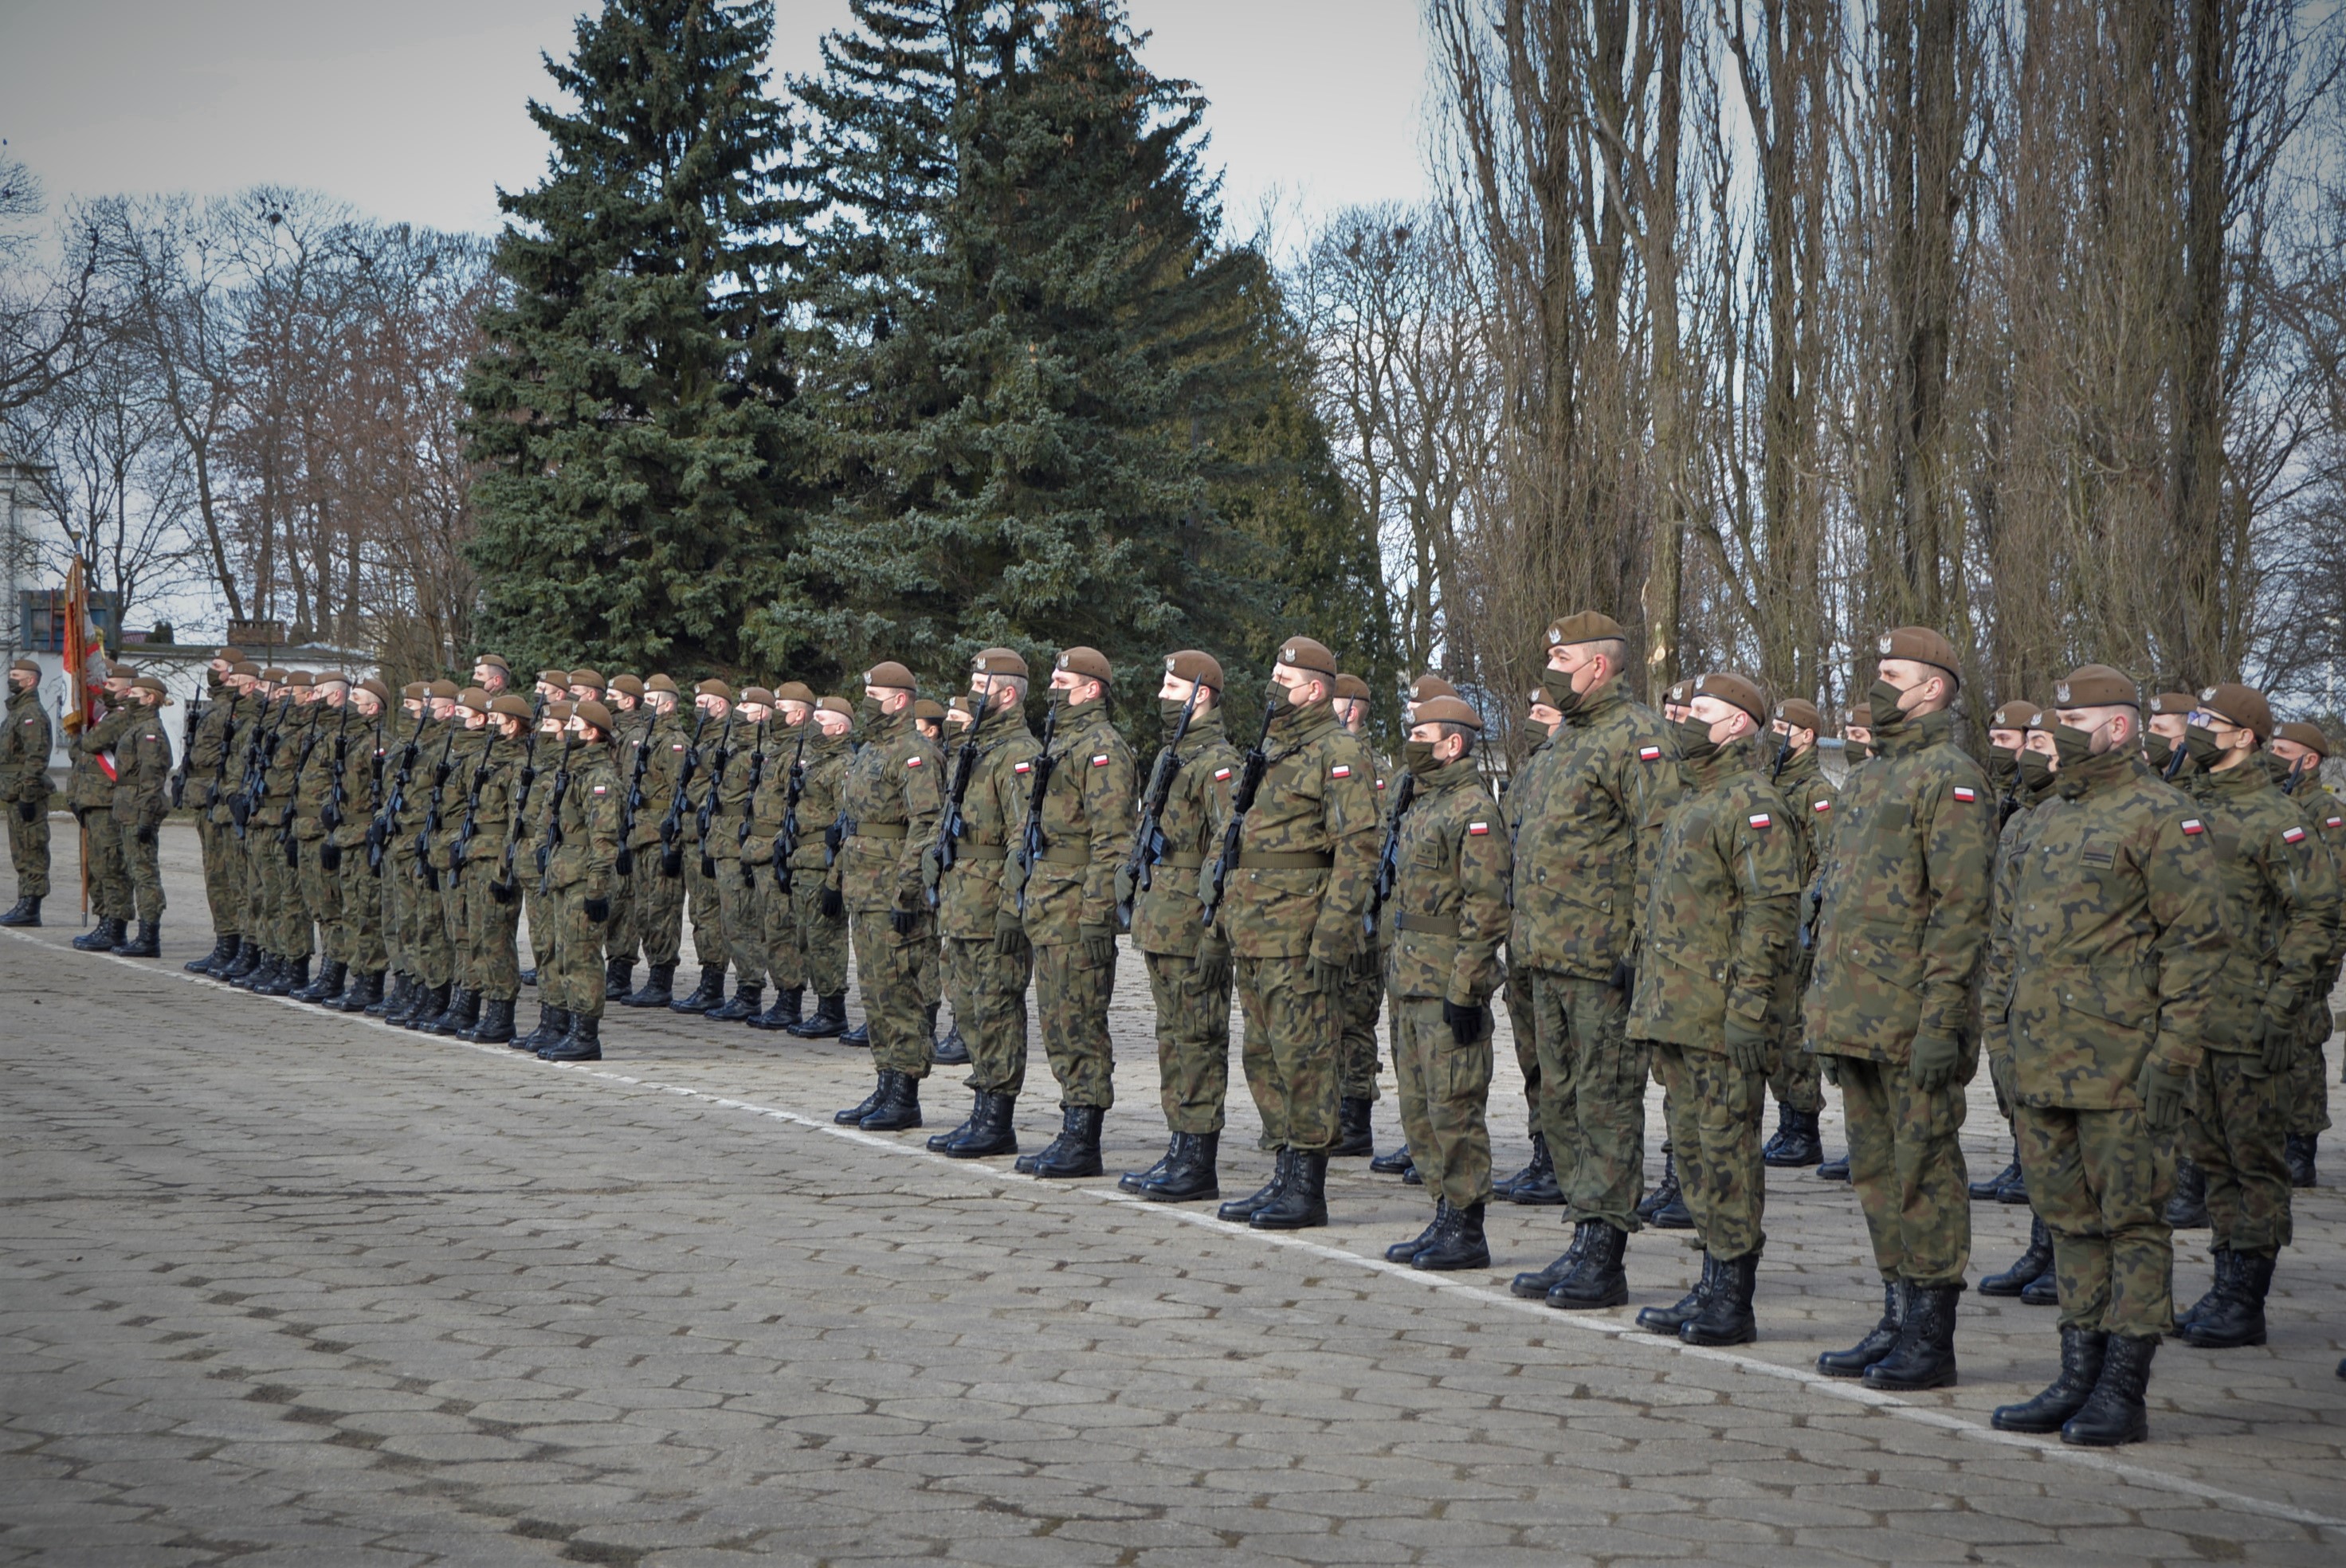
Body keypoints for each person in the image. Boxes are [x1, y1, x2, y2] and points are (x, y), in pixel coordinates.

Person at [1986, 664, 2224, 1446]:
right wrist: (2005, 1045)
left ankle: (2123, 1385)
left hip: (2124, 1068)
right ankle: (2076, 1371)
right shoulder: (2043, 819)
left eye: (2069, 717)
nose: (2052, 731)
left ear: (2116, 728)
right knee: (2068, 1223)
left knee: (2129, 1223)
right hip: (2044, 1063)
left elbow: (2195, 946)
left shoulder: (2162, 816)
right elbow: (2010, 948)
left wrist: (2171, 1059)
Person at [1807, 628, 1993, 1390]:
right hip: (1858, 1017)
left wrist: (1943, 1022)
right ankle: (1896, 1311)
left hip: (1913, 1021)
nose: (1877, 686)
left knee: (1926, 1175)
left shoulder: (1950, 778)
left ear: (1933, 690)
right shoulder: (1870, 778)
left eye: (1893, 674)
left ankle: (1932, 1334)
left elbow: (1960, 911)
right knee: (1878, 1176)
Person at [1504, 613, 1681, 1309]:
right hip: (1547, 958)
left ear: (1598, 668)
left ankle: (1606, 1253)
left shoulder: (1636, 736)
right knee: (1563, 1101)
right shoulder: (1563, 744)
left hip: (1601, 962)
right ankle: (1582, 1233)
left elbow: (1658, 846)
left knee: (1606, 1105)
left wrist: (1640, 949)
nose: (1550, 666)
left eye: (1562, 656)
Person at [1626, 672, 1803, 1343]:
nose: (1686, 718)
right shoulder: (1696, 797)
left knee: (1727, 1153)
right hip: (1678, 1011)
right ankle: (1709, 1282)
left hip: (1721, 1017)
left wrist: (1750, 1010)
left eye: (1702, 710)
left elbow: (1770, 914)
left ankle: (1733, 1296)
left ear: (1736, 726)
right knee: (1695, 1153)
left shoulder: (1752, 804)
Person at [2168, 684, 2337, 1350]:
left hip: (2251, 1021)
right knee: (2211, 1159)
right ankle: (2223, 1281)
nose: (2198, 729)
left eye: (2211, 722)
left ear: (2245, 736)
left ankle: (2247, 1297)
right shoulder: (2187, 808)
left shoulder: (2277, 819)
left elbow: (2317, 916)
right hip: (2193, 1019)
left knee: (2255, 1162)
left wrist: (2282, 1006)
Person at [1210, 635, 1379, 1232]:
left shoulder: (1338, 752)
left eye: (1285, 680)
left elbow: (1358, 850)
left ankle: (1308, 1185)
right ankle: (1283, 1170)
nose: (1274, 689)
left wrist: (1333, 934)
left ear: (1314, 689)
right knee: (1264, 1055)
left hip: (1301, 932)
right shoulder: (1273, 749)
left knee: (1305, 1058)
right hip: (1256, 931)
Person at [1377, 694, 1509, 1271]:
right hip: (1409, 979)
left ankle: (1467, 1226)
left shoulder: (1473, 809)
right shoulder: (1422, 803)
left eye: (1421, 733)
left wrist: (1467, 985)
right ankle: (1444, 1216)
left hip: (1446, 984)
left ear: (1452, 744)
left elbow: (1487, 909)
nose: (1412, 741)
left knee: (1454, 1107)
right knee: (1419, 1109)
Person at [1010, 647, 1139, 1177]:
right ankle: (1072, 1126)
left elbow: (1113, 842)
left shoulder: (1103, 748)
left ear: (1091, 689)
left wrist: (1095, 914)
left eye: (1065, 680)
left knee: (1080, 1023)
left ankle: (1084, 1139)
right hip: (1049, 904)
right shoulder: (1062, 742)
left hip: (1074, 907)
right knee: (1058, 1025)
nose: (1054, 687)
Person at [1117, 650, 1241, 1198]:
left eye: (1172, 688)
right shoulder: (1173, 756)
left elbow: (1226, 844)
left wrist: (1215, 928)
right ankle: (1179, 1145)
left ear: (1202, 695)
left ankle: (1198, 1159)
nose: (1162, 696)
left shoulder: (1218, 761)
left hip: (1192, 923)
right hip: (1162, 922)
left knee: (1198, 1039)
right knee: (1173, 1039)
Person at [924, 651, 1044, 1157]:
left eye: (981, 683)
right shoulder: (974, 747)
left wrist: (1013, 909)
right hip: (961, 904)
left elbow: (1025, 833)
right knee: (970, 1010)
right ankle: (981, 1109)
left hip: (993, 905)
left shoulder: (1019, 751)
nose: (973, 691)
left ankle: (998, 1118)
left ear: (1008, 694)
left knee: (996, 1010)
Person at [830, 663, 942, 1129]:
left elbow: (926, 825)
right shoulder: (869, 751)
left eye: (875, 692)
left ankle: (906, 1093)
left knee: (900, 991)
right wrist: (837, 879)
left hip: (893, 889)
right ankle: (885, 1082)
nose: (868, 699)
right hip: (863, 887)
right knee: (875, 993)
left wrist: (907, 889)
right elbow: (852, 824)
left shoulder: (916, 753)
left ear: (899, 700)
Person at [1979, 710, 2065, 1305]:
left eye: (2040, 742)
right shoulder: (2023, 822)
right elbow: (2005, 925)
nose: (2028, 752)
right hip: (2024, 1005)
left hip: (2090, 1019)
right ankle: (2044, 1249)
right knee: (2041, 1139)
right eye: (2024, 741)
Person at [1967, 700, 2045, 1205]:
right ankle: (2022, 1163)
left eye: (2008, 742)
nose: (1999, 751)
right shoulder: (2008, 800)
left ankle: (2030, 1166)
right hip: (2000, 951)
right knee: (2007, 1064)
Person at [1492, 676, 1567, 1206]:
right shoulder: (1529, 772)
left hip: (1557, 932)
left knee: (1561, 1058)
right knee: (1532, 1053)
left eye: (1541, 714)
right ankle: (1544, 1153)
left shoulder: (1570, 766)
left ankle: (1565, 1160)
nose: (1531, 722)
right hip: (1523, 932)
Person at [1759, 697, 1835, 1170]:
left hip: (1799, 929)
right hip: (1772, 924)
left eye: (1786, 729)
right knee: (1773, 1026)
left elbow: (1830, 858)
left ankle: (1804, 1126)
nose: (1778, 736)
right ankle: (1787, 1120)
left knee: (1795, 1029)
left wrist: (1807, 907)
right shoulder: (1771, 785)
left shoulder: (1817, 792)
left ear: (1807, 737)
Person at [2267, 720, 2344, 1185]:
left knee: (2304, 1044)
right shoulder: (2281, 803)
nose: (2272, 756)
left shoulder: (2324, 810)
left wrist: (2327, 957)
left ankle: (2302, 1147)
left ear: (2309, 760)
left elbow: (2333, 890)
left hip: (2312, 950)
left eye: (2282, 750)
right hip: (2276, 947)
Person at [534, 699, 624, 1062]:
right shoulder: (573, 772)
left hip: (584, 878)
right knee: (564, 954)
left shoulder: (599, 779)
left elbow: (604, 840)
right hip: (565, 874)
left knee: (582, 956)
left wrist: (597, 889)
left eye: (573, 723)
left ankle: (586, 1035)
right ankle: (568, 1026)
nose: (565, 727)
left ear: (590, 732)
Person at [1331, 672, 1390, 1158]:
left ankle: (1356, 1116)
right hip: (1343, 906)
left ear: (1352, 709)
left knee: (1356, 1017)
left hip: (1362, 912)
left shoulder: (1364, 762)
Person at [746, 682, 818, 1032]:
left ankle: (790, 999)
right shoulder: (778, 750)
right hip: (762, 849)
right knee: (768, 928)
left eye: (782, 707)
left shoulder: (799, 752)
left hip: (780, 850)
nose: (775, 712)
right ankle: (783, 994)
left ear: (800, 714)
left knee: (781, 929)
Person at [618, 673, 692, 1009]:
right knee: (644, 910)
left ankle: (662, 979)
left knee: (662, 909)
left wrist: (674, 842)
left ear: (668, 705)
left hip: (660, 833)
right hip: (640, 833)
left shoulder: (675, 742)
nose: (645, 706)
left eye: (652, 701)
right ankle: (652, 973)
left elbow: (681, 793)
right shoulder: (643, 738)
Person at [786, 697, 857, 1037]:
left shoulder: (842, 765)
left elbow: (847, 825)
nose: (815, 723)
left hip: (824, 864)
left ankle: (833, 1010)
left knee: (825, 940)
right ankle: (822, 1005)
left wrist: (836, 878)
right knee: (808, 938)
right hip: (805, 860)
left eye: (822, 718)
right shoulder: (814, 763)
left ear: (839, 727)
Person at [703, 686, 773, 1023]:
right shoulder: (734, 746)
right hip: (723, 841)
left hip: (739, 845)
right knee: (728, 920)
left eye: (748, 706)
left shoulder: (763, 751)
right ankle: (736, 988)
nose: (741, 710)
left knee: (742, 921)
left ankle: (750, 990)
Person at [322, 679, 391, 1014]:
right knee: (350, 908)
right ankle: (357, 974)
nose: (351, 704)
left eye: (358, 700)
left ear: (373, 707)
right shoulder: (350, 742)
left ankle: (370, 981)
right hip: (347, 835)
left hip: (364, 836)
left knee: (366, 910)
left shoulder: (377, 743)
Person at [670, 679, 736, 1016]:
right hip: (692, 835)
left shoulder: (728, 740)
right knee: (699, 911)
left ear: (722, 706)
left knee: (710, 911)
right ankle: (708, 979)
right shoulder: (703, 739)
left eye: (705, 702)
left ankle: (714, 984)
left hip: (711, 836)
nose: (699, 708)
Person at [179, 647, 246, 963]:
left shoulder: (233, 710)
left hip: (218, 797)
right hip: (204, 796)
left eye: (217, 665)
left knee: (223, 875)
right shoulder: (216, 707)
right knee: (214, 874)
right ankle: (225, 940)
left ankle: (231, 943)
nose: (210, 669)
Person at [68, 662, 139, 952]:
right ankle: (104, 921)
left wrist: (85, 735)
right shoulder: (106, 716)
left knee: (111, 866)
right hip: (92, 801)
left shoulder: (123, 717)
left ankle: (116, 924)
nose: (103, 690)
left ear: (128, 690)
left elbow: (93, 743)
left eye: (110, 686)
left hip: (108, 801)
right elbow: (79, 749)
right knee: (96, 866)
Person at [109, 674, 176, 956]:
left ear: (150, 698)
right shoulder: (136, 727)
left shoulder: (150, 731)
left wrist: (147, 816)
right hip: (128, 807)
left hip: (139, 809)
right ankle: (143, 935)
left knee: (144, 873)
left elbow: (151, 779)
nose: (129, 696)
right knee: (135, 871)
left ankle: (150, 937)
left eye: (135, 693)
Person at [2, 656, 54, 926]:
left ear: (30, 681)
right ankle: (25, 902)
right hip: (14, 791)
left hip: (26, 793)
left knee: (32, 849)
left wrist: (27, 792)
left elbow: (36, 757)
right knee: (21, 850)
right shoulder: (19, 712)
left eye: (16, 676)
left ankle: (31, 907)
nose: (11, 680)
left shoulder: (31, 714)